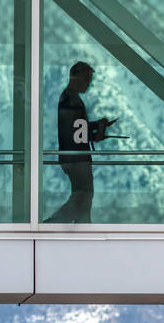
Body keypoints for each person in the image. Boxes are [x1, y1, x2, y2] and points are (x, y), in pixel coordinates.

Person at [45, 61, 115, 223]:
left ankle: (83, 228)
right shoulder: (72, 101)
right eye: (86, 79)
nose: (88, 84)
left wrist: (96, 127)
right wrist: (97, 131)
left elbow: (76, 129)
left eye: (89, 80)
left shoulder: (68, 98)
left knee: (83, 196)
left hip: (71, 156)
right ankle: (55, 223)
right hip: (77, 158)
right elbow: (77, 132)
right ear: (74, 77)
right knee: (84, 194)